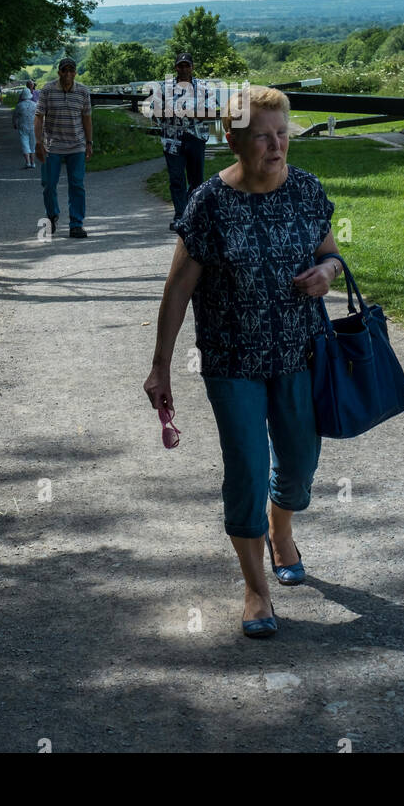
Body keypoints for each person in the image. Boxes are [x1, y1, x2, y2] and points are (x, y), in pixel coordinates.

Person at [144, 85, 344, 638]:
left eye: (283, 134)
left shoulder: (306, 191)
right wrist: (161, 365)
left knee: (299, 465)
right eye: (263, 136)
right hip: (232, 361)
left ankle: (284, 528)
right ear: (231, 140)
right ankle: (256, 589)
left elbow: (330, 253)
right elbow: (178, 287)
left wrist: (326, 273)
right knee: (247, 467)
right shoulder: (208, 203)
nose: (277, 146)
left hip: (299, 354)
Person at [150, 52, 217, 231]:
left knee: (196, 179)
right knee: (176, 177)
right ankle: (179, 215)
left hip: (196, 137)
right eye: (181, 66)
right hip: (172, 139)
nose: (184, 69)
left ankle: (192, 214)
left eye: (187, 65)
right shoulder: (163, 87)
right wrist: (170, 112)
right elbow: (154, 113)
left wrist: (185, 112)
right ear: (176, 68)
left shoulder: (204, 87)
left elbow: (211, 113)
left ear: (192, 67)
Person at [34, 57, 93, 239]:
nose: (68, 74)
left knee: (77, 184)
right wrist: (38, 142)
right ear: (59, 72)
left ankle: (76, 224)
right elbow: (39, 117)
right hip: (52, 146)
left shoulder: (82, 91)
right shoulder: (48, 90)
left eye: (71, 70)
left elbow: (86, 118)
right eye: (64, 70)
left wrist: (89, 143)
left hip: (76, 145)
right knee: (48, 185)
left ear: (75, 72)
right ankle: (52, 214)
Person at [12, 87, 36, 168]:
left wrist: (14, 123)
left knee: (25, 144)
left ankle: (28, 162)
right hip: (33, 126)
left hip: (23, 126)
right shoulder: (35, 105)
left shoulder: (19, 105)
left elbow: (15, 116)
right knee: (32, 145)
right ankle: (33, 163)